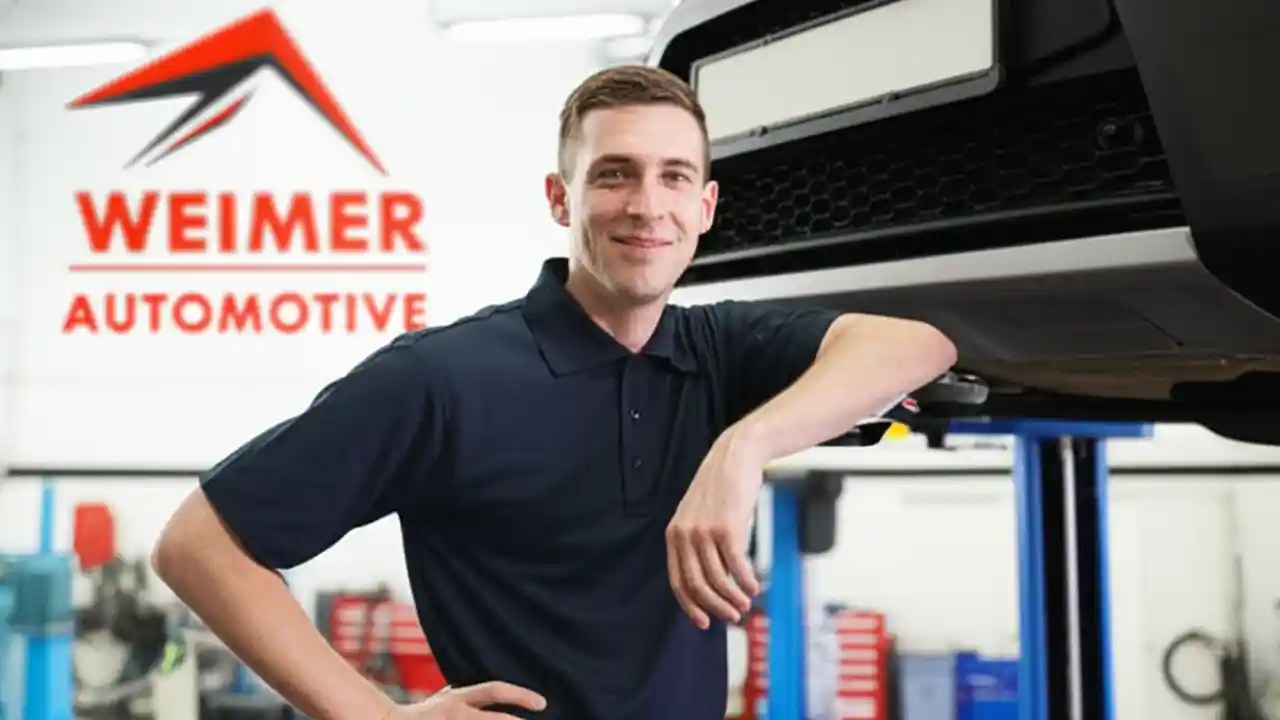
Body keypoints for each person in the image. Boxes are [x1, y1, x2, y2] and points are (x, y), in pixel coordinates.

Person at [150, 64, 958, 720]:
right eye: (614, 175)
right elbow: (199, 546)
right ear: (559, 197)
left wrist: (742, 448)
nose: (648, 206)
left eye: (675, 177)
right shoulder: (441, 378)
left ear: (706, 207)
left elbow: (916, 345)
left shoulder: (720, 352)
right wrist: (373, 715)